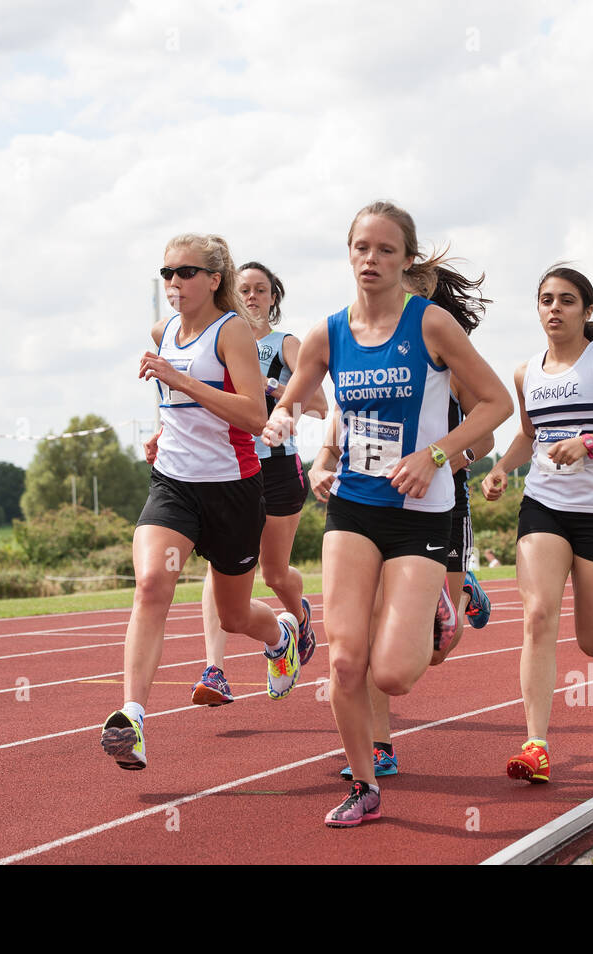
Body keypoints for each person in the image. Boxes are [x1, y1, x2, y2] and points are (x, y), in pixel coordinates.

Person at [263, 201, 511, 827]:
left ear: (406, 260)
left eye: (386, 250)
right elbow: (294, 398)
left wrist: (437, 455)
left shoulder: (430, 326)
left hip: (423, 512)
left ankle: (438, 604)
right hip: (354, 508)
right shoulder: (327, 333)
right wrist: (283, 419)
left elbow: (496, 404)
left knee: (396, 673)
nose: (371, 260)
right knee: (347, 661)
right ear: (349, 255)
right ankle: (365, 784)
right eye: (362, 249)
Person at [100, 234, 302, 772]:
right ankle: (133, 718)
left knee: (235, 616)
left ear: (214, 279)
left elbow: (256, 416)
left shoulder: (230, 332)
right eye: (166, 273)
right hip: (174, 487)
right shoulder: (163, 330)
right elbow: (176, 405)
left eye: (185, 272)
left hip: (233, 489)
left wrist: (181, 381)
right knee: (150, 585)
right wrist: (162, 432)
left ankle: (279, 634)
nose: (173, 283)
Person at [308, 262, 496, 782]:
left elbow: (488, 437)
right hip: (366, 505)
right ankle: (380, 744)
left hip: (436, 505)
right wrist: (322, 465)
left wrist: (435, 462)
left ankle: (457, 598)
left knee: (433, 655)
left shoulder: (445, 358)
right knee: (362, 629)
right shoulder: (356, 353)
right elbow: (339, 425)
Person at [482, 265, 593, 784]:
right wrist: (499, 468)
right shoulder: (526, 374)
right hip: (544, 506)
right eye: (546, 300)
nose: (554, 309)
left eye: (566, 300)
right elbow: (527, 435)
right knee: (538, 615)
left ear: (586, 310)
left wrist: (592, 442)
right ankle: (537, 743)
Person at [188, 261, 329, 706]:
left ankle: (298, 616)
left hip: (276, 469)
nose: (250, 297)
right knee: (220, 563)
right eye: (243, 289)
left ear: (273, 297)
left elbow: (321, 404)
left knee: (274, 574)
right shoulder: (216, 338)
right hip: (226, 465)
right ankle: (216, 669)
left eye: (260, 290)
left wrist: (275, 392)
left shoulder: (284, 344)